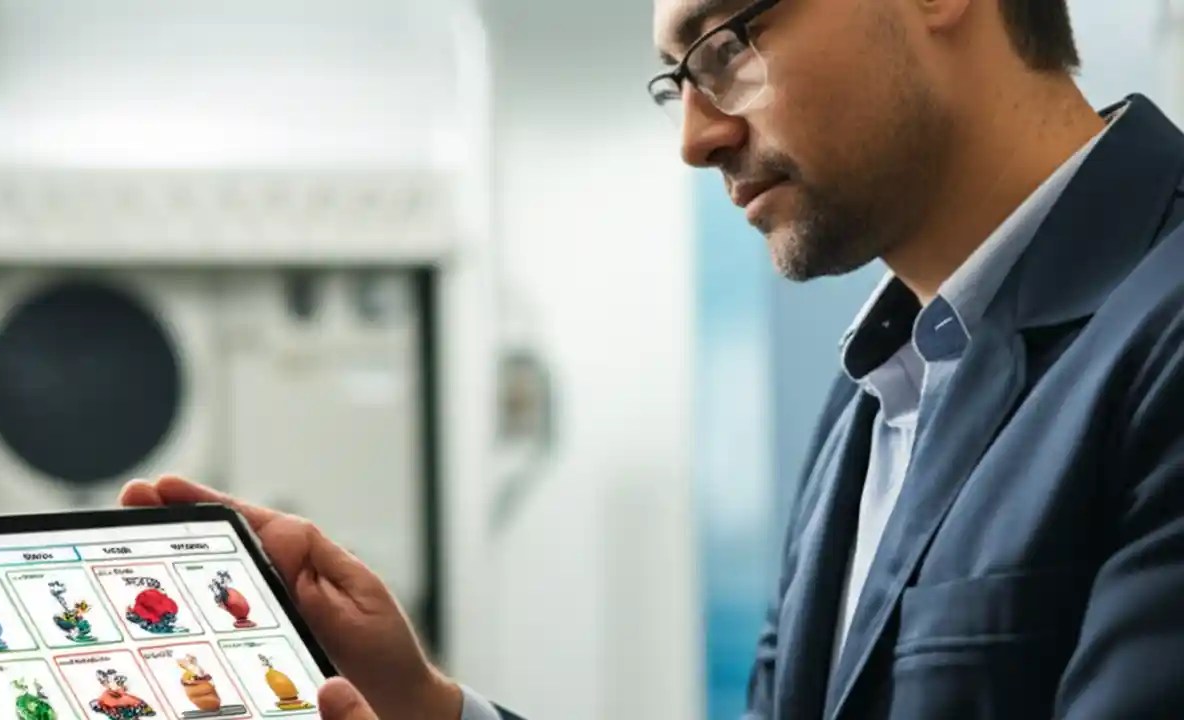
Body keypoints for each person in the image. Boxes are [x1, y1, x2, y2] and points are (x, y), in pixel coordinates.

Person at [124, 0, 1184, 715]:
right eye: (675, 81)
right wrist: (427, 709)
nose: (695, 137)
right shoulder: (885, 383)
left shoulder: (1163, 335)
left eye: (724, 48)